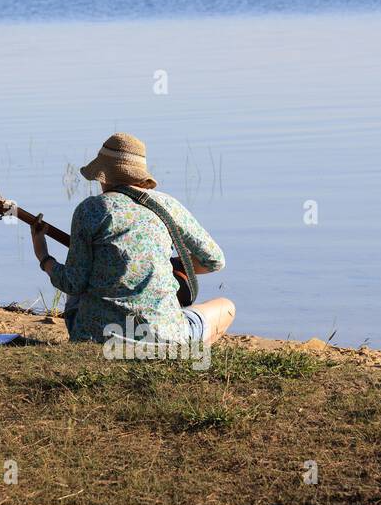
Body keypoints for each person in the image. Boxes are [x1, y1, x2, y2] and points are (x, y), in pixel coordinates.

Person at [31, 132, 235, 346]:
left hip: (96, 337)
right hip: (165, 337)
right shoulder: (168, 205)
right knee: (226, 306)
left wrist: (44, 257)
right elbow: (215, 260)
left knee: (82, 282)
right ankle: (179, 352)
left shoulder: (90, 209)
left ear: (102, 175)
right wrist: (168, 265)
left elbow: (72, 283)